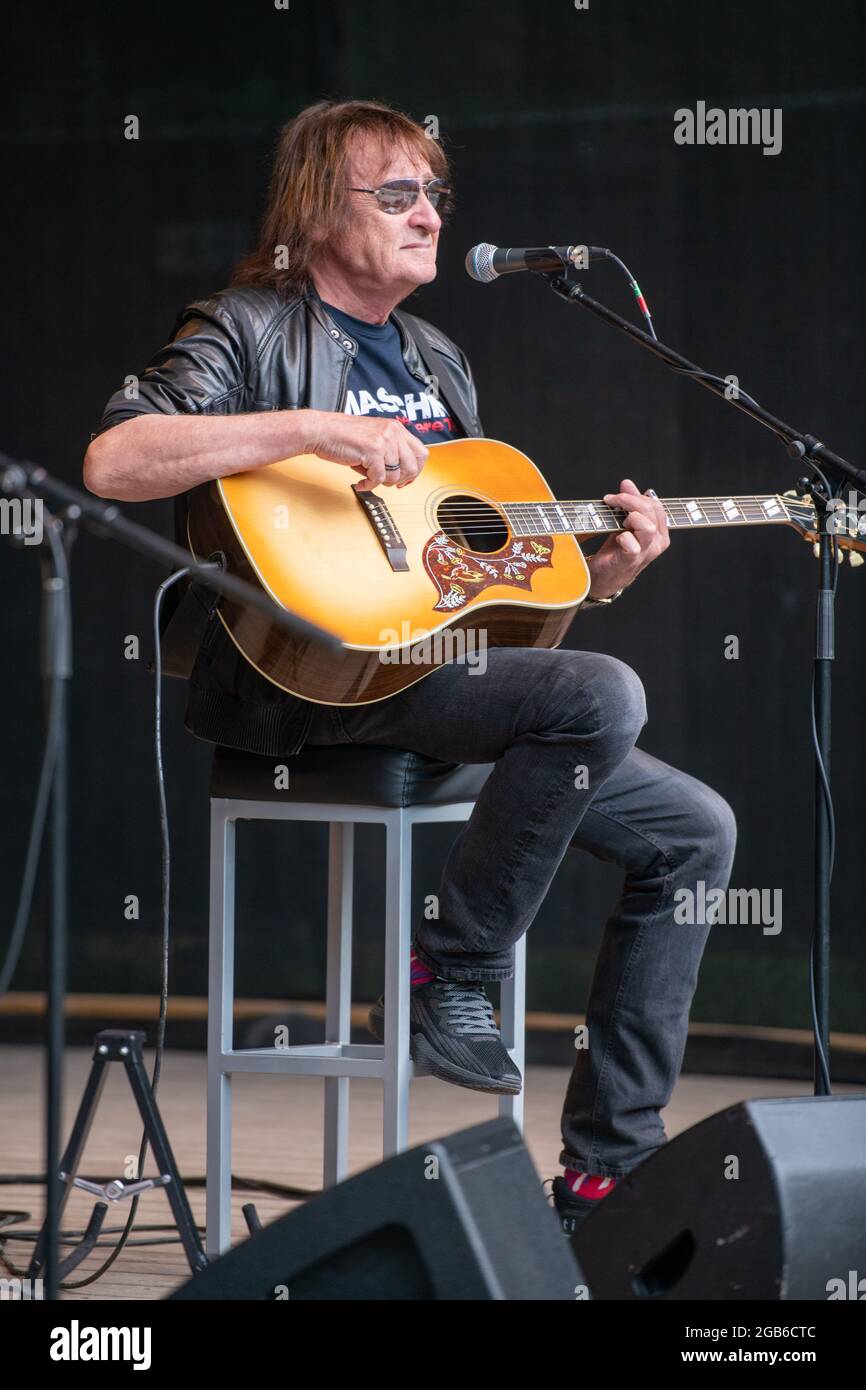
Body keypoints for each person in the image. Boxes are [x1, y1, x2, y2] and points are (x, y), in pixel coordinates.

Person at [84, 99, 737, 1233]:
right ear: (312, 209)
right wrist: (311, 429)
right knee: (606, 696)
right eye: (395, 193)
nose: (427, 214)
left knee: (693, 830)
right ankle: (450, 968)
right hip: (303, 678)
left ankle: (600, 1180)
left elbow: (466, 583)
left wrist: (606, 571)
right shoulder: (245, 326)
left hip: (426, 672)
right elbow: (114, 457)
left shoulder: (439, 358)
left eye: (434, 194)